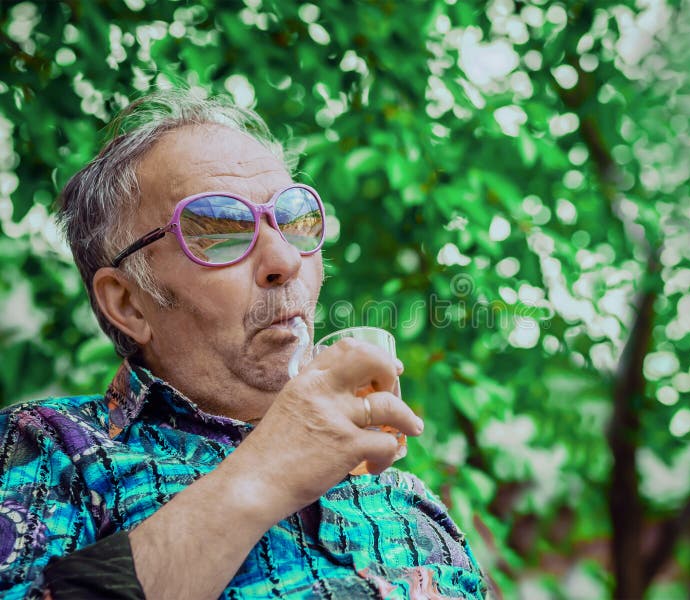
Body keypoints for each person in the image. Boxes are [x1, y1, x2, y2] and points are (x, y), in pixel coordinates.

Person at [0, 89, 487, 599]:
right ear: (128, 303)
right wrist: (264, 472)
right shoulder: (54, 449)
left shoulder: (410, 502)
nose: (284, 259)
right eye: (220, 228)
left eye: (294, 216)